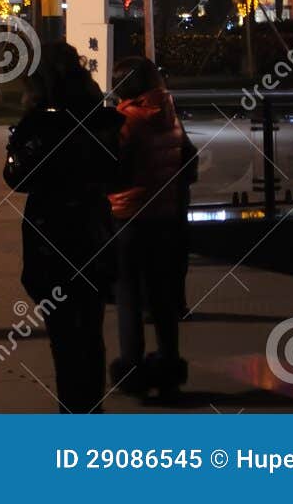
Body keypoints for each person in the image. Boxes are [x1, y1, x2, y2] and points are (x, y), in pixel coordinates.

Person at [4, 42, 122, 413]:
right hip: (95, 231)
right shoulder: (102, 119)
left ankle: (73, 413)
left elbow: (17, 177)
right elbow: (119, 172)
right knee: (90, 329)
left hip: (52, 236)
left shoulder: (39, 125)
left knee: (65, 336)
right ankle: (91, 409)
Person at [108, 55, 193, 402]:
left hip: (129, 215)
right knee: (162, 298)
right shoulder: (170, 116)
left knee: (127, 296)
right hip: (165, 216)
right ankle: (169, 365)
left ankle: (132, 367)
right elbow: (186, 160)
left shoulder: (128, 121)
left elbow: (114, 166)